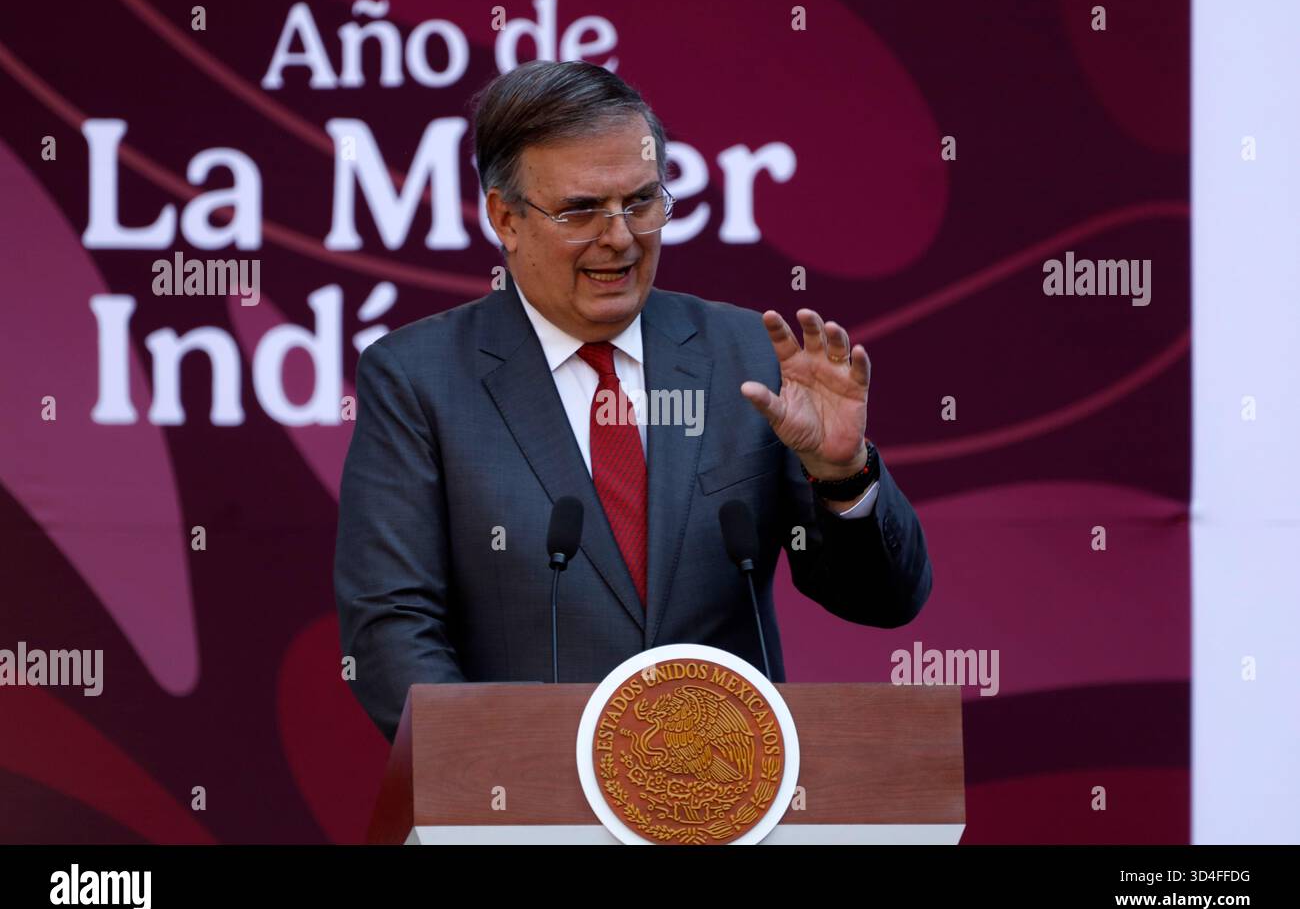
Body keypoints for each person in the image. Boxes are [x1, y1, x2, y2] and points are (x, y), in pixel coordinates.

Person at [335, 60, 933, 742]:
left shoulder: (749, 356)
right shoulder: (419, 378)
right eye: (582, 210)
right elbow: (390, 631)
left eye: (641, 203)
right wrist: (503, 786)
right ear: (505, 217)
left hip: (728, 798)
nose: (619, 237)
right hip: (527, 818)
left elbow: (887, 601)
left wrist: (843, 474)